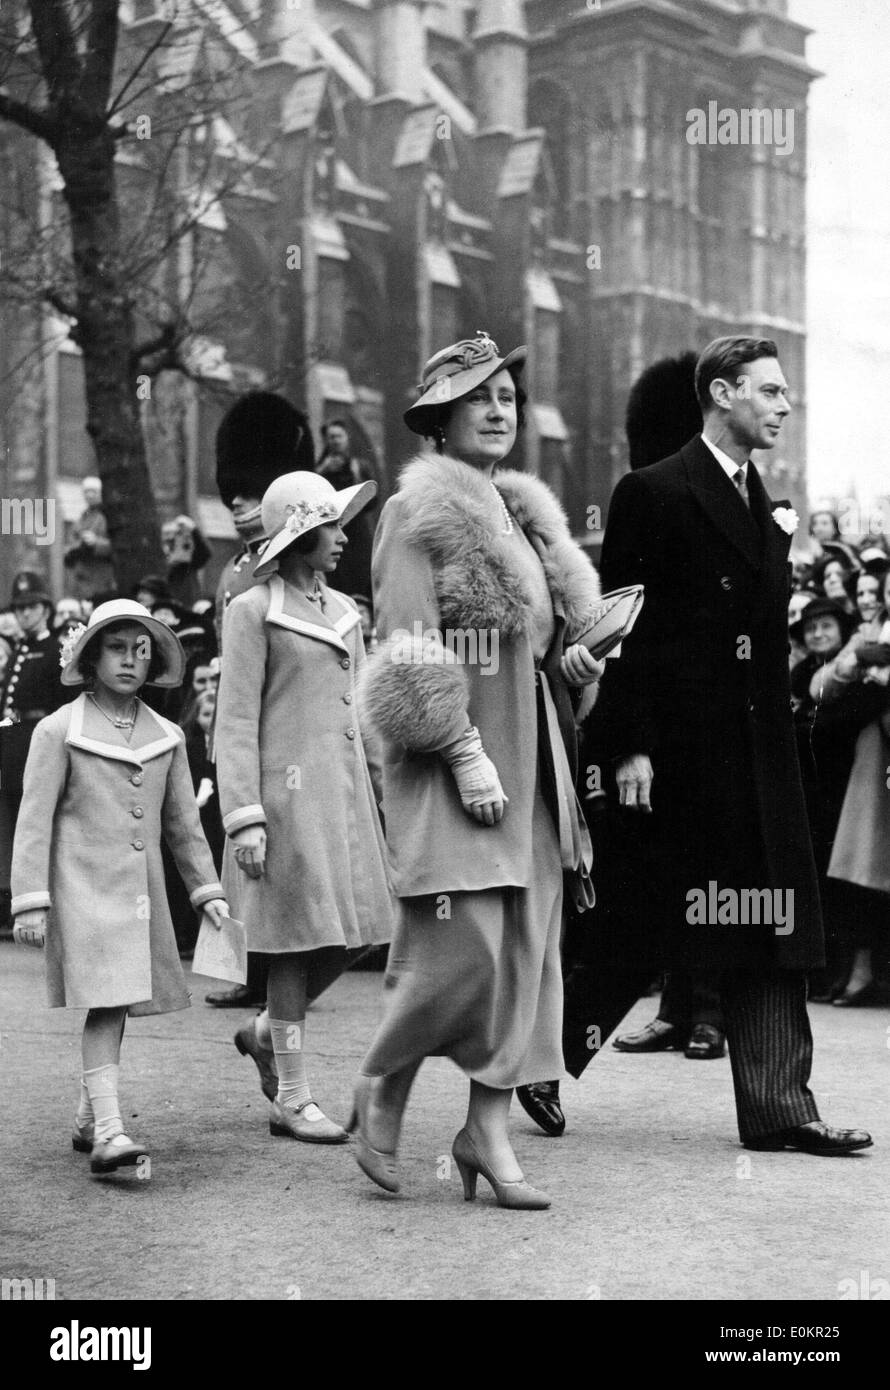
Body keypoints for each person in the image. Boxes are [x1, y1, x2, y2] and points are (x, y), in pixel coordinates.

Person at [573, 334, 872, 1156]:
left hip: (760, 757)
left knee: (770, 919)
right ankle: (532, 1059)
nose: (783, 406)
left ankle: (781, 1105)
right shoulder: (652, 492)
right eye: (769, 392)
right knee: (638, 920)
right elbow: (624, 632)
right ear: (721, 393)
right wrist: (629, 744)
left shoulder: (766, 503)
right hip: (680, 756)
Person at [353, 332, 603, 1208]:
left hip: (534, 754)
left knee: (531, 950)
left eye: (507, 396)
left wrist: (574, 667)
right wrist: (461, 752)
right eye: (479, 397)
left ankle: (487, 1132)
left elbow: (538, 652)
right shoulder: (414, 510)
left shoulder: (525, 514)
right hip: (456, 756)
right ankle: (384, 1082)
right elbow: (405, 645)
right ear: (440, 418)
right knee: (458, 944)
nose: (500, 410)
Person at [10, 600, 228, 1175]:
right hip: (81, 889)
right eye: (116, 647)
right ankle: (109, 1131)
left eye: (142, 649)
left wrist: (209, 892)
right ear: (88, 656)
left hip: (141, 894)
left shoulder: (169, 735)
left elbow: (183, 826)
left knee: (120, 998)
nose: (131, 659)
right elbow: (33, 819)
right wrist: (30, 899)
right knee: (108, 1002)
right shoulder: (59, 729)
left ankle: (88, 1117)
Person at [215, 471, 394, 1142]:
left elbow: (366, 713)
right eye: (332, 527)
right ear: (300, 534)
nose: (344, 538)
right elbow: (233, 721)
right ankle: (293, 1095)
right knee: (294, 946)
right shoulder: (252, 610)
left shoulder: (346, 611)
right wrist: (245, 817)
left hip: (345, 801)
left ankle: (265, 1032)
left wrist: (385, 791)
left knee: (363, 931)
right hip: (284, 804)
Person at [207, 390, 315, 1008]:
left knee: (282, 855)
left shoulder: (300, 564)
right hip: (241, 725)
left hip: (288, 728)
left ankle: (283, 973)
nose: (241, 509)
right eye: (235, 498)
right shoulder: (234, 572)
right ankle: (247, 969)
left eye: (252, 495)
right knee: (242, 854)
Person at [817, 568, 890, 1006]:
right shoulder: (869, 631)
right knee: (866, 873)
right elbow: (820, 685)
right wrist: (862, 657)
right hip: (874, 763)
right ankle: (861, 970)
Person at [0, 572, 71, 930]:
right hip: (12, 746)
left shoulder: (56, 648)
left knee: (39, 823)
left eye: (31, 607)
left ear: (45, 608)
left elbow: (62, 706)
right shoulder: (21, 650)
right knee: (13, 825)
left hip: (38, 744)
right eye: (20, 608)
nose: (25, 614)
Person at [315, 419, 376, 598]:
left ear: (346, 438)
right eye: (331, 437)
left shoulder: (359, 466)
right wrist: (322, 470)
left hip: (357, 532)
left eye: (338, 436)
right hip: (330, 529)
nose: (335, 441)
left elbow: (373, 501)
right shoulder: (321, 466)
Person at [64, 477, 115, 600]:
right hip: (82, 577)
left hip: (102, 576)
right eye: (86, 491)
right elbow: (70, 542)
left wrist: (96, 543)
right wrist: (75, 547)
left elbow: (118, 545)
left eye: (94, 491)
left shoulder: (110, 516)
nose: (90, 495)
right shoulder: (82, 518)